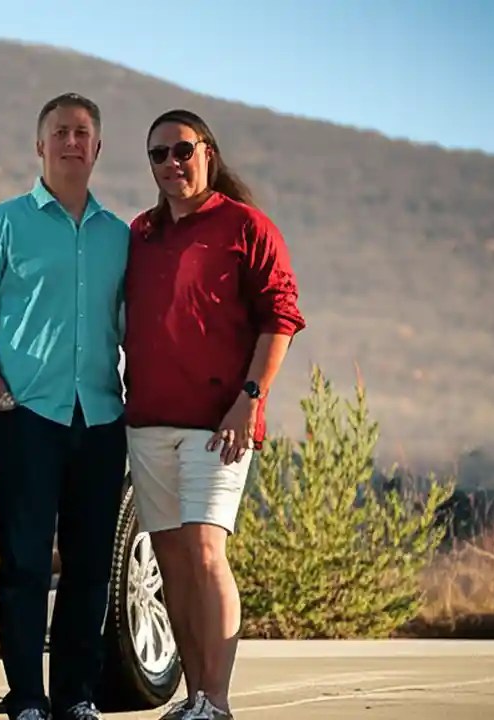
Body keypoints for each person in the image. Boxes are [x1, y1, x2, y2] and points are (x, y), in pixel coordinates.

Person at [0, 92, 130, 720]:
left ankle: (77, 696)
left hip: (103, 421)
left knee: (89, 567)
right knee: (25, 565)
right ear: (40, 146)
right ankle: (26, 698)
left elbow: (136, 326)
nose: (72, 142)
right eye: (61, 132)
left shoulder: (120, 238)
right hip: (26, 420)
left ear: (98, 147)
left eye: (83, 132)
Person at [122, 109, 306, 720]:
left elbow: (281, 318)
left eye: (182, 150)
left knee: (206, 550)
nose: (172, 164)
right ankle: (194, 694)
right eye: (158, 155)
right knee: (171, 559)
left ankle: (218, 701)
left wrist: (249, 398)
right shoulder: (141, 234)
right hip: (147, 422)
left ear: (208, 152)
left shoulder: (246, 227)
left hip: (220, 425)